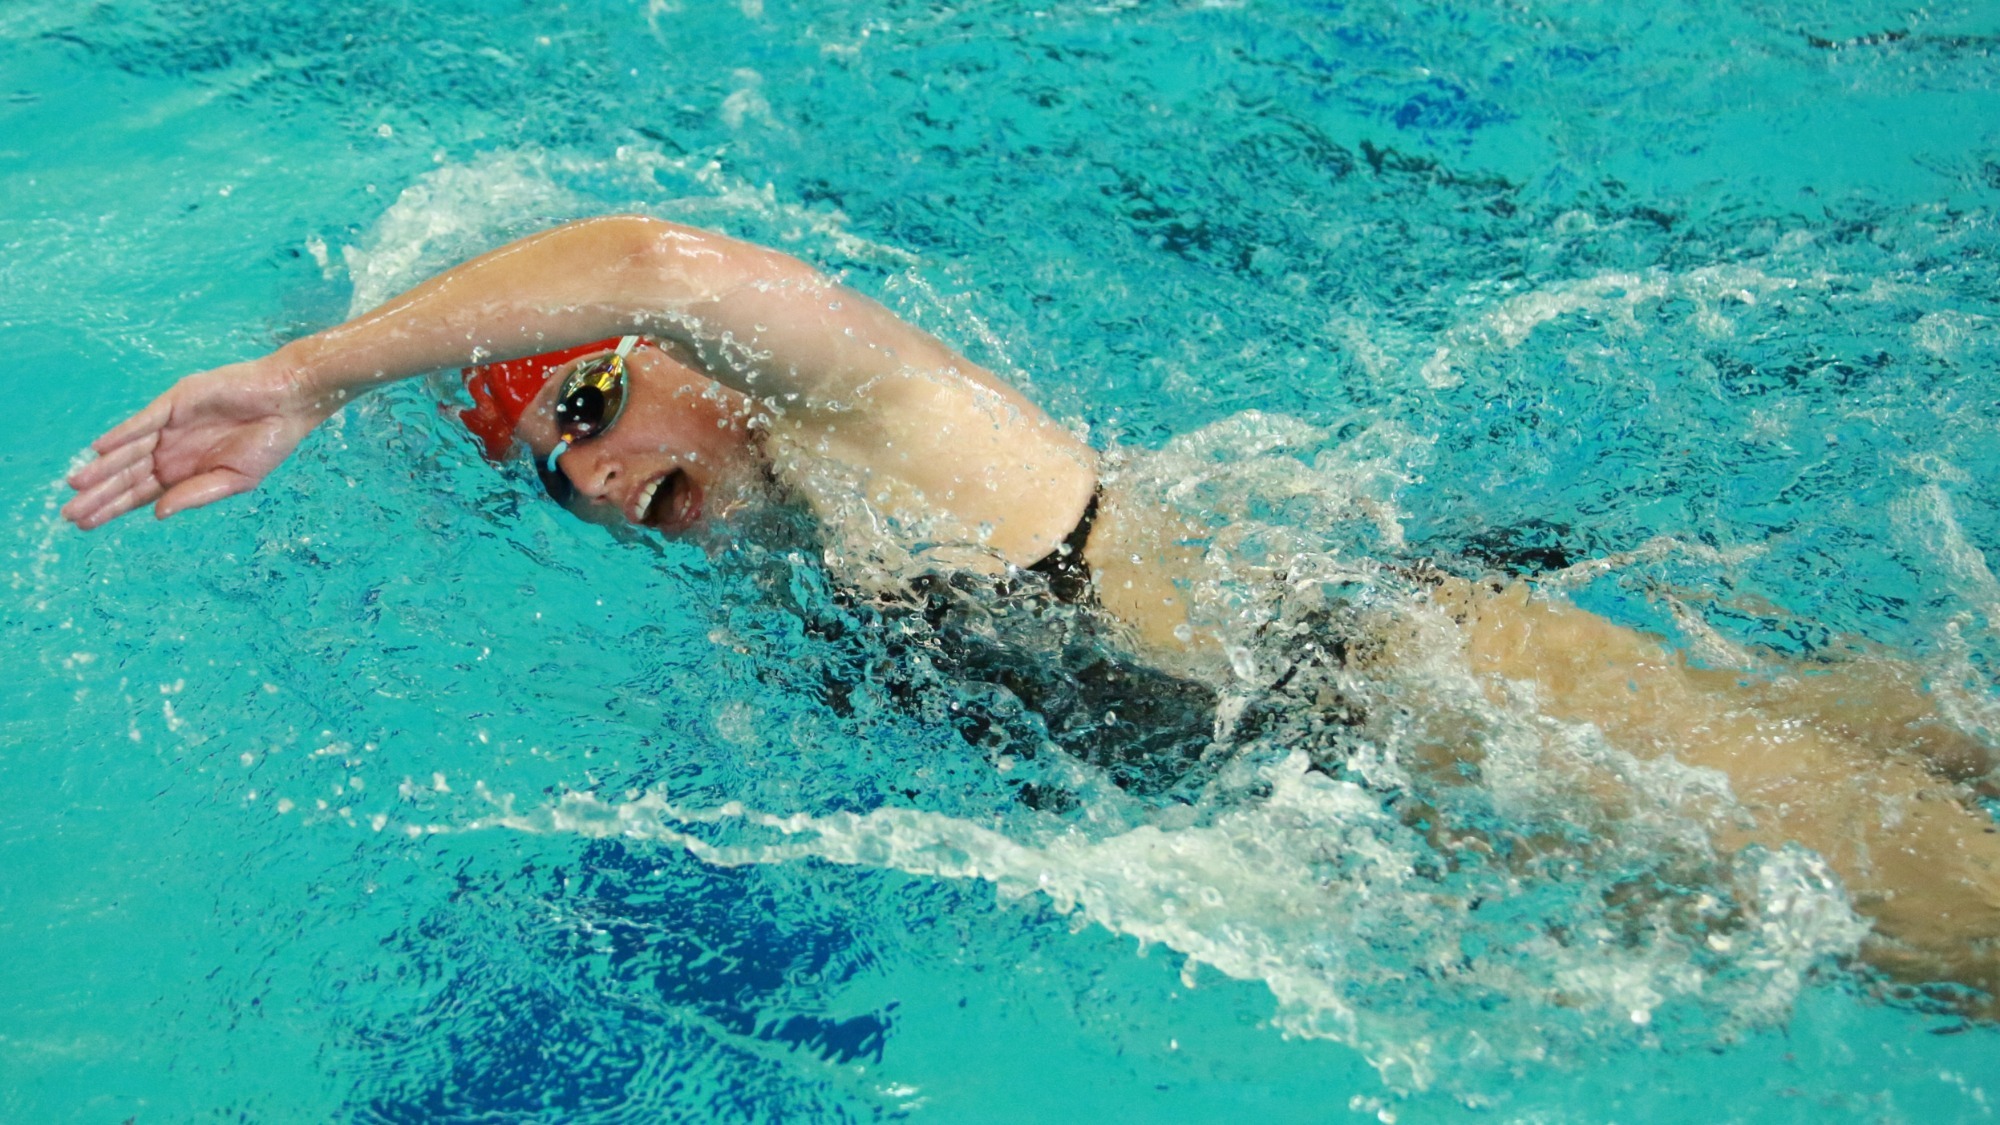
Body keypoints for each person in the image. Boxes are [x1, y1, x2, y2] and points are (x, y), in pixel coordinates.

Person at [60, 215, 2000, 1014]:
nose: (573, 475)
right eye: (536, 472)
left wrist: (317, 371)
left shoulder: (875, 415)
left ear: (683, 358)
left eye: (581, 403)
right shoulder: (808, 584)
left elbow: (649, 249)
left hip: (1449, 693)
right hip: (1418, 772)